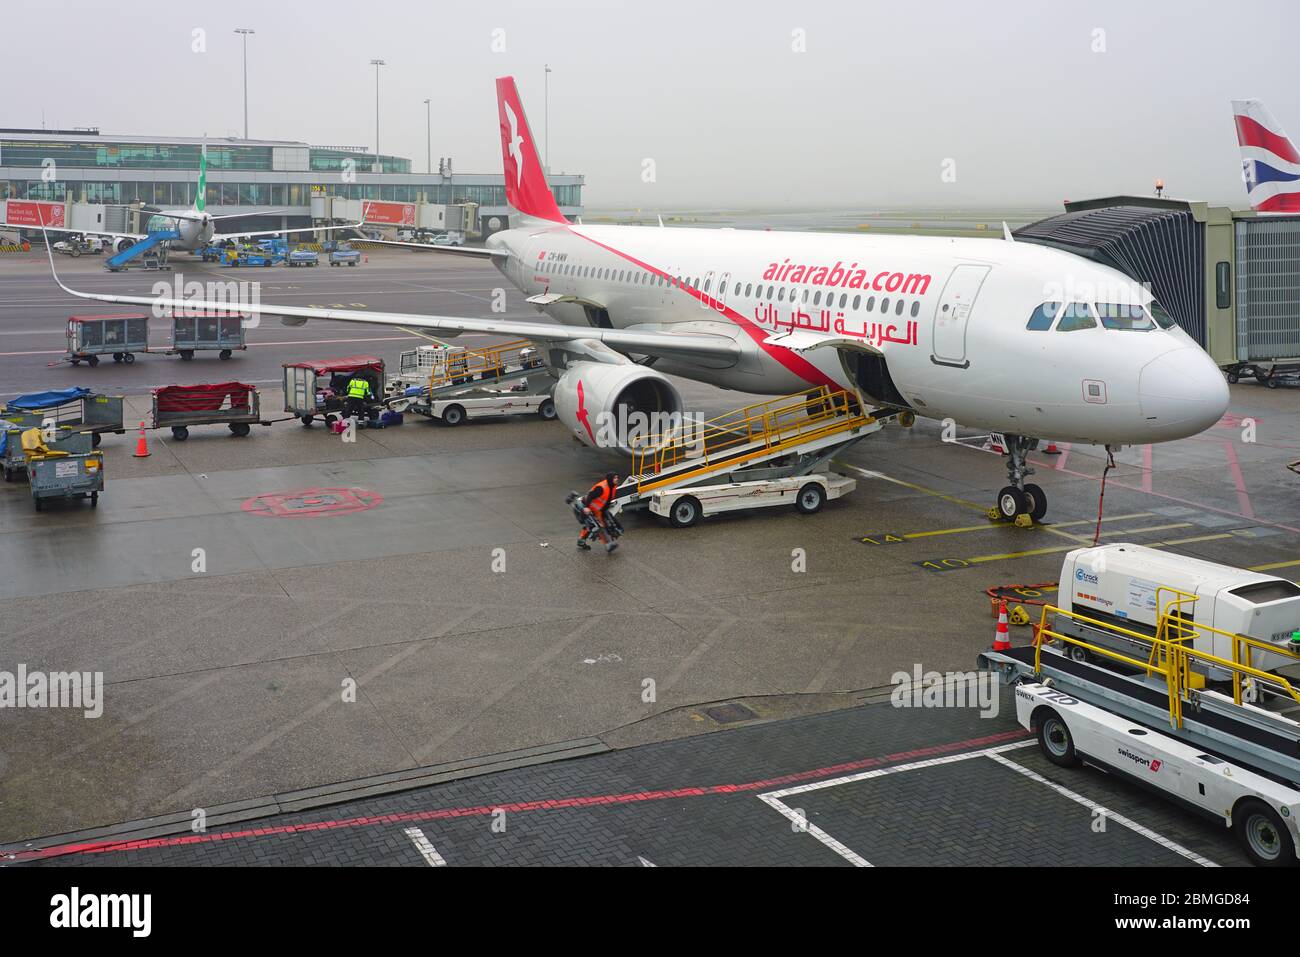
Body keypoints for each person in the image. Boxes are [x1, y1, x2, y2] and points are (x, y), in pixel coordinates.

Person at [577, 472, 620, 553]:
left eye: (617, 477)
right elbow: (590, 495)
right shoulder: (601, 488)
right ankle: (608, 545)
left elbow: (607, 498)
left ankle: (581, 541)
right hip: (591, 509)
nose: (617, 479)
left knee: (596, 526)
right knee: (599, 527)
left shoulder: (613, 486)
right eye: (615, 478)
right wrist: (586, 507)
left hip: (600, 510)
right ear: (611, 479)